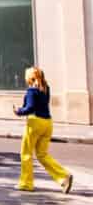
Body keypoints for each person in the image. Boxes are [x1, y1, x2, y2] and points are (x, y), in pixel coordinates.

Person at [14, 66, 73, 194]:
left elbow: (30, 108)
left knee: (26, 154)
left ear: (30, 78)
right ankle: (63, 176)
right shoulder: (46, 89)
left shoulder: (31, 91)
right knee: (42, 154)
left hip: (35, 122)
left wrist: (18, 111)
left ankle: (26, 183)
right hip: (48, 123)